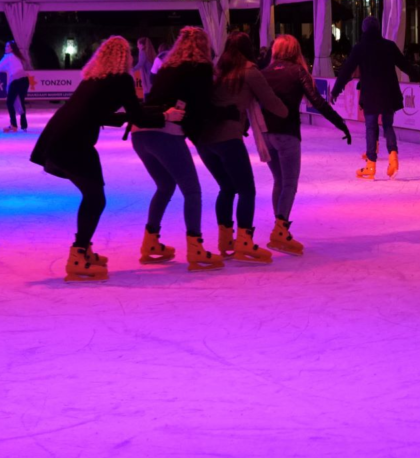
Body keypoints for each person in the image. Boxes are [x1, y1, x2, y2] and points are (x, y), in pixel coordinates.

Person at [31, 36, 182, 282]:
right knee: (95, 197)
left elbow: (101, 114)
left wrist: (137, 116)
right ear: (126, 56)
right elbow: (139, 116)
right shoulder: (121, 80)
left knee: (93, 196)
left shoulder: (94, 79)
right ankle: (78, 255)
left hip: (59, 136)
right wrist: (166, 117)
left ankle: (83, 249)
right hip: (73, 142)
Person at [130, 27, 229, 272]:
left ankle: (150, 242)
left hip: (139, 133)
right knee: (192, 191)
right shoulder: (201, 68)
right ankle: (196, 248)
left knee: (165, 186)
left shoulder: (167, 66)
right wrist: (228, 114)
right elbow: (201, 107)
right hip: (164, 132)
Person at [196, 31, 289, 263]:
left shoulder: (219, 70)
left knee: (227, 187)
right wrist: (287, 113)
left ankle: (225, 240)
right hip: (227, 139)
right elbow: (270, 101)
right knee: (247, 190)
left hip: (205, 141)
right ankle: (244, 242)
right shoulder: (249, 71)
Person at [260, 34, 352, 255]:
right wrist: (340, 123)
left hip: (266, 135)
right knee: (289, 183)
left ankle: (279, 229)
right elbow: (317, 101)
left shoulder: (264, 73)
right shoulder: (297, 71)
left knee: (279, 181)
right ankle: (280, 230)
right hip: (287, 134)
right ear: (295, 51)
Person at [330, 16, 420, 180]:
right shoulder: (389, 46)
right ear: (378, 29)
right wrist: (418, 77)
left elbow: (346, 70)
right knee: (388, 126)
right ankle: (393, 156)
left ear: (364, 30)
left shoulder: (360, 48)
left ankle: (371, 165)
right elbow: (404, 65)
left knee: (371, 128)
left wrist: (336, 90)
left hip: (370, 93)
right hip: (388, 93)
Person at [0, 40, 30, 132]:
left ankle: (13, 125)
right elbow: (5, 67)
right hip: (24, 80)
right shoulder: (16, 56)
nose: (6, 48)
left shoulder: (9, 56)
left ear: (12, 48)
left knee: (10, 102)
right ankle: (23, 125)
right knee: (20, 102)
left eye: (8, 46)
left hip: (18, 81)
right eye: (5, 46)